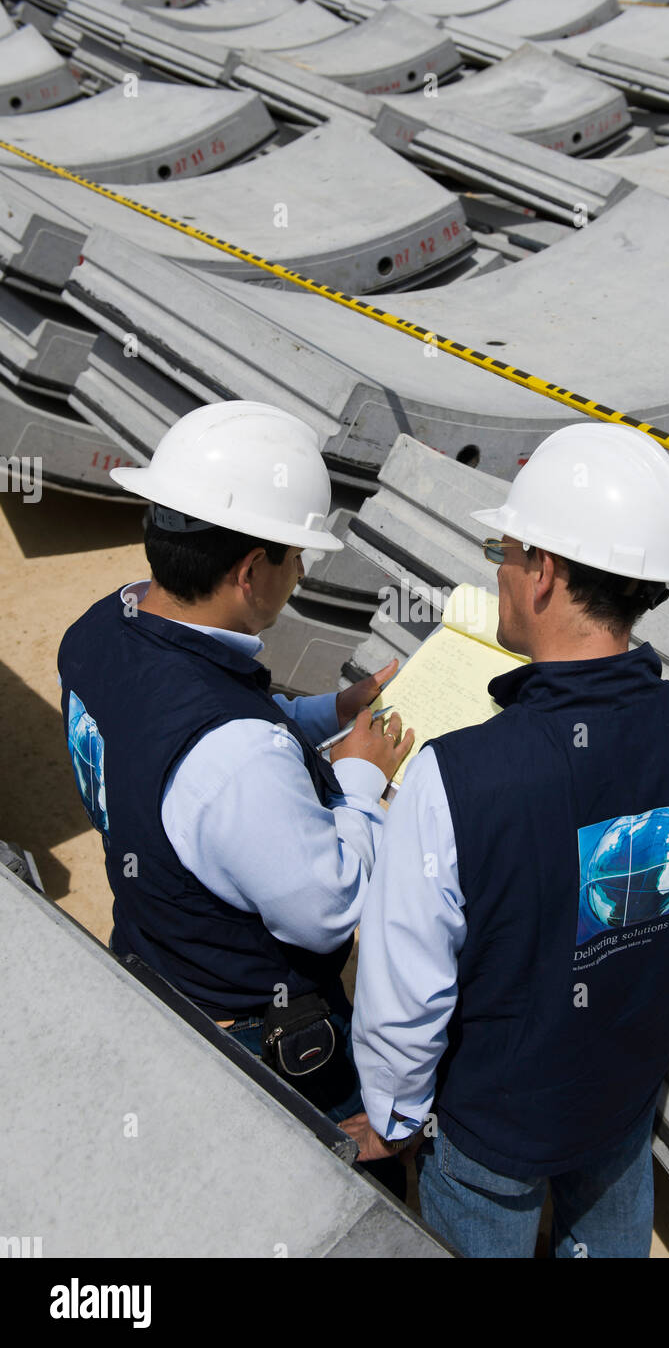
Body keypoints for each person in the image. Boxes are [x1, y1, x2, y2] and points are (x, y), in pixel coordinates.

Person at [342, 422, 669, 1257]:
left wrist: (396, 1118)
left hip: (488, 1137)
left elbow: (405, 1000)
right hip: (620, 1104)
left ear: (542, 571)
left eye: (501, 550)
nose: (495, 571)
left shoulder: (453, 778)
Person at [58, 400, 413, 1134]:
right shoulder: (239, 758)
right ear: (252, 570)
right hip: (255, 1033)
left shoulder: (98, 630)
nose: (302, 571)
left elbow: (188, 743)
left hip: (155, 958)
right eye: (295, 555)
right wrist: (359, 777)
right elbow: (325, 911)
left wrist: (332, 711)